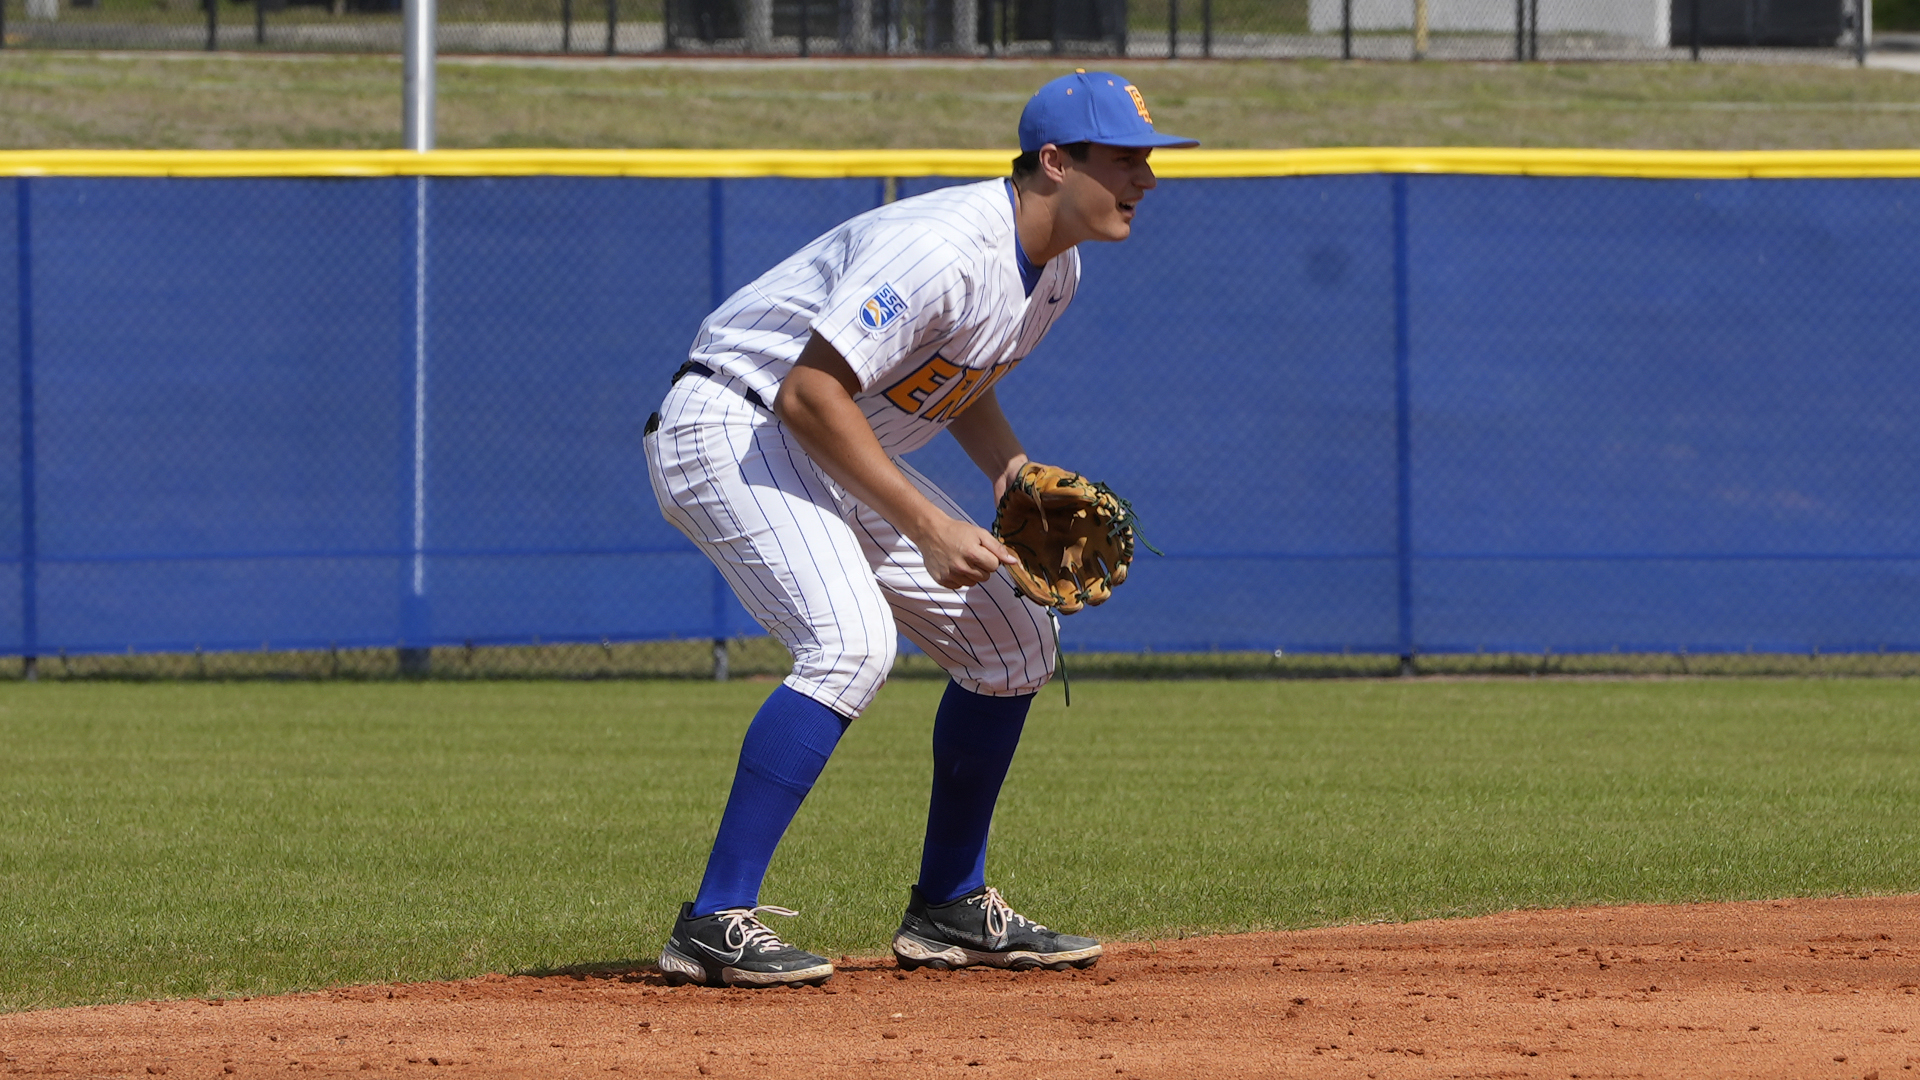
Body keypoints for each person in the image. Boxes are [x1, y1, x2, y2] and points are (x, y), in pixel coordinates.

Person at [643, 70, 1197, 989]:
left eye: (1148, 159)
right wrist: (931, 522)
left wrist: (1009, 472)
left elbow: (955, 377)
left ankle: (949, 907)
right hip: (735, 425)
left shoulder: (1057, 269)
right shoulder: (943, 247)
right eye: (1126, 158)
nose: (1146, 178)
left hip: (825, 443)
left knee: (1016, 642)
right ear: (1055, 163)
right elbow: (810, 391)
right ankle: (712, 920)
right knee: (849, 645)